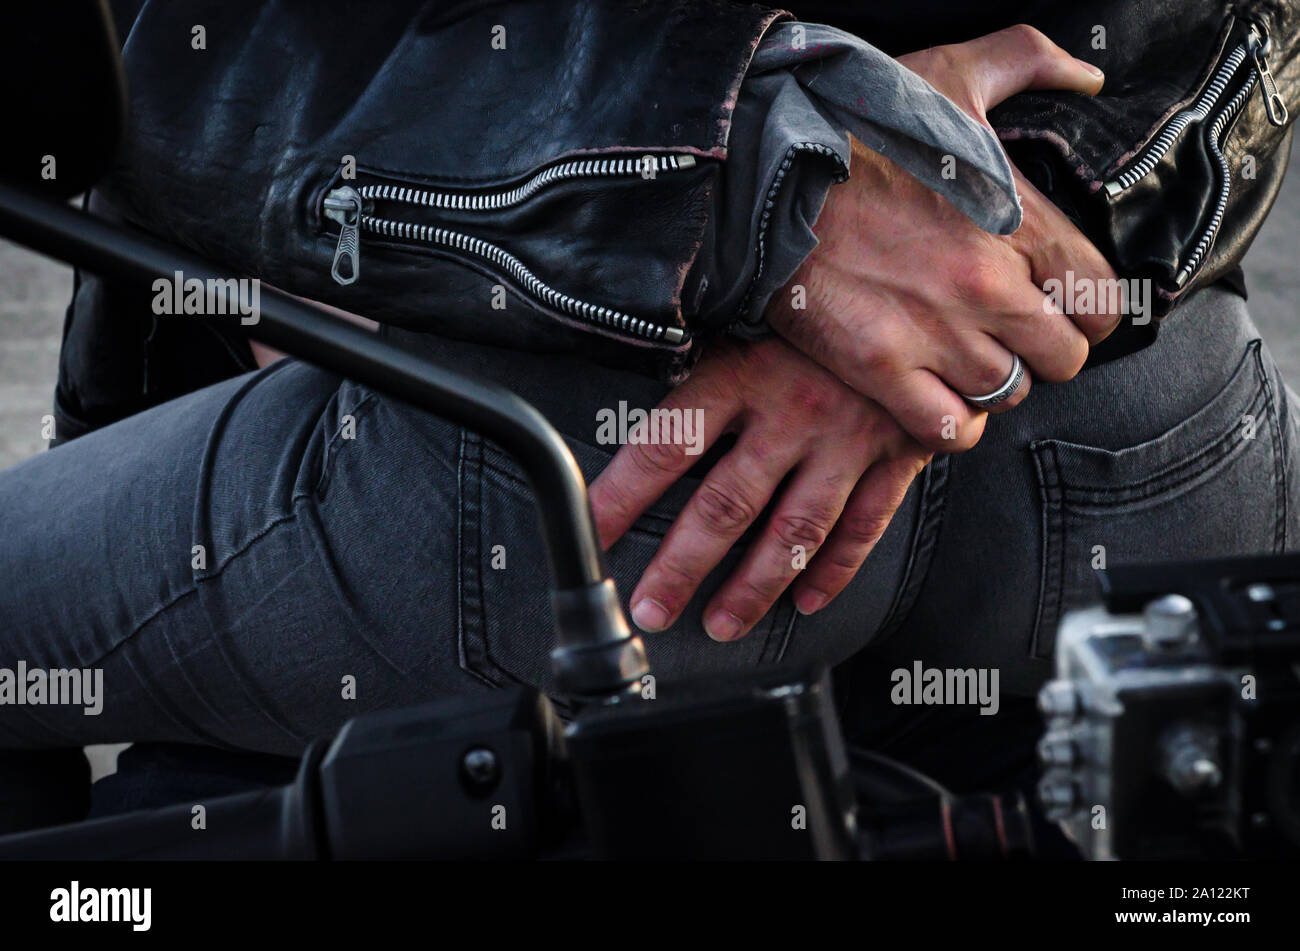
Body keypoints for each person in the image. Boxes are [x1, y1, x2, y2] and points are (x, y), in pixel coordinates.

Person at [1, 2, 1296, 841]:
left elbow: (176, 53)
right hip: (1127, 404)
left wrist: (782, 210)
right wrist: (1027, 213)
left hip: (574, 462)